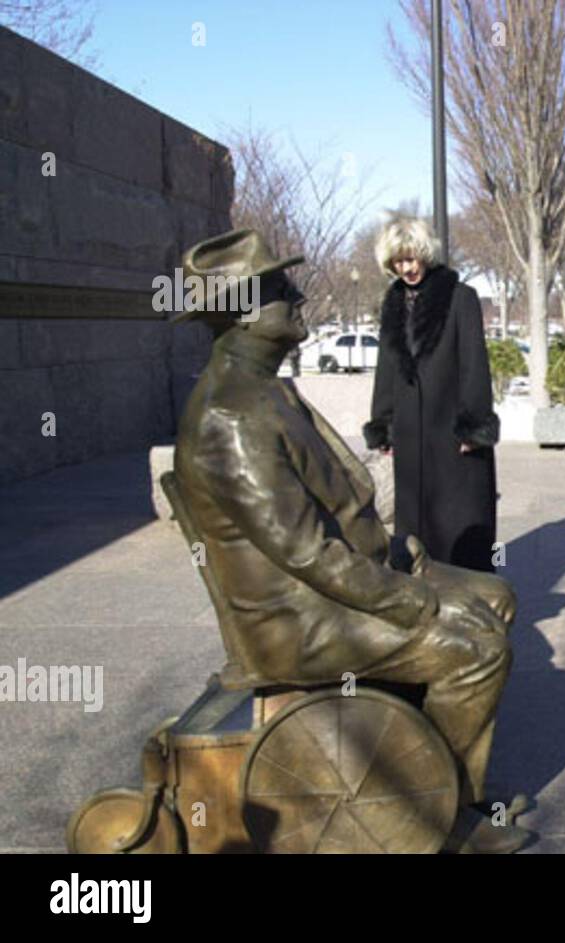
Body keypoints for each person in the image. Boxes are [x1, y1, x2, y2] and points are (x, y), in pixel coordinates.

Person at [172, 229, 528, 853]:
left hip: (330, 588)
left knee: (495, 597)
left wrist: (402, 560)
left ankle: (436, 770)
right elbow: (306, 553)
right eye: (283, 288)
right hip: (299, 621)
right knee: (474, 648)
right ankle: (440, 818)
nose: (300, 296)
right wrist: (411, 600)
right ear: (246, 308)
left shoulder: (263, 390)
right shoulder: (232, 417)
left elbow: (324, 520)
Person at [365, 217, 500, 573]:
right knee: (415, 530)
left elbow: (474, 364)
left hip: (451, 431)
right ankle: (423, 605)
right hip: (411, 434)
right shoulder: (393, 302)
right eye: (398, 261)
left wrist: (473, 427)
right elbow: (387, 367)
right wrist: (384, 422)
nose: (406, 268)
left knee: (461, 525)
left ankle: (473, 604)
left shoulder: (461, 298)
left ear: (426, 253)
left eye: (412, 258)